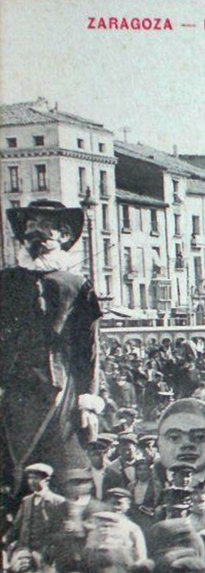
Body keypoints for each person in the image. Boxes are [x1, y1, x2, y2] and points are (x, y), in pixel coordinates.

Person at [1, 200, 104, 492]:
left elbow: (88, 349)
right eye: (31, 224)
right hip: (13, 390)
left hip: (61, 391)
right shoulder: (5, 281)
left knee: (64, 467)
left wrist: (87, 399)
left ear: (63, 234)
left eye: (46, 225)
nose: (37, 231)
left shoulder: (77, 286)